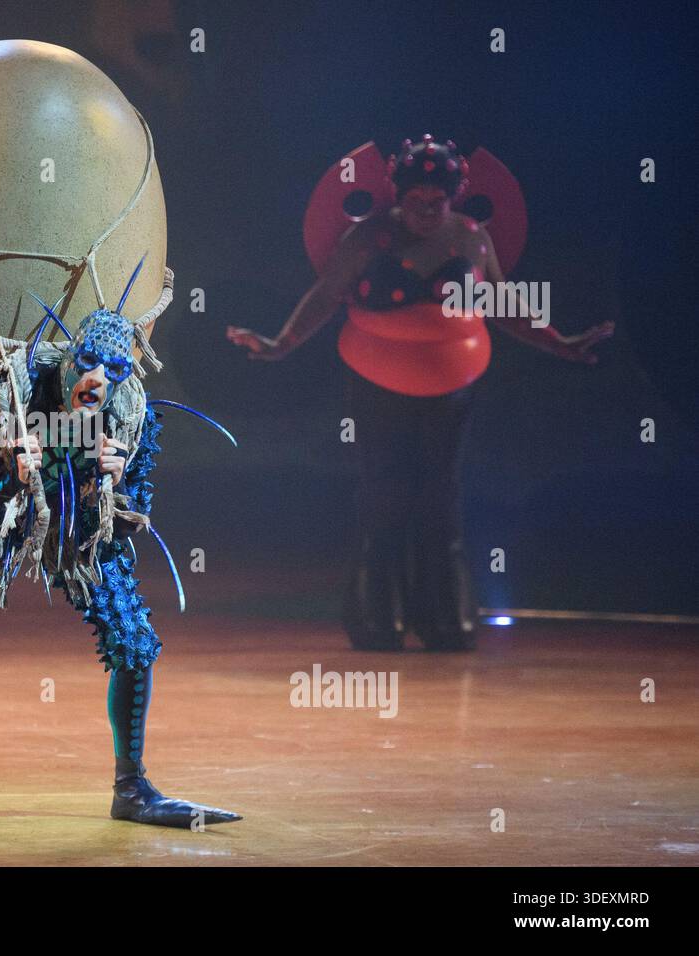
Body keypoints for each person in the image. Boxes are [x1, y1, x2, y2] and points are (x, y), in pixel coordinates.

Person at [227, 135, 613, 651]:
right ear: (398, 196)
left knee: (439, 494)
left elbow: (503, 303)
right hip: (376, 381)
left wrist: (557, 342)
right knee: (384, 490)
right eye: (416, 201)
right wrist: (281, 343)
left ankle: (443, 618)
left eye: (438, 202)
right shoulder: (367, 238)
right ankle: (376, 616)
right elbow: (326, 294)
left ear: (453, 197)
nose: (427, 211)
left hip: (452, 386)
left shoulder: (473, 238)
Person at [0, 298, 241, 834]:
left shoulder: (130, 415)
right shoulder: (4, 399)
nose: (96, 379)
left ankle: (132, 787)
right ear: (69, 357)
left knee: (134, 641)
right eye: (88, 361)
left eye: (113, 369)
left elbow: (130, 521)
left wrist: (115, 484)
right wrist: (9, 476)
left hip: (76, 523)